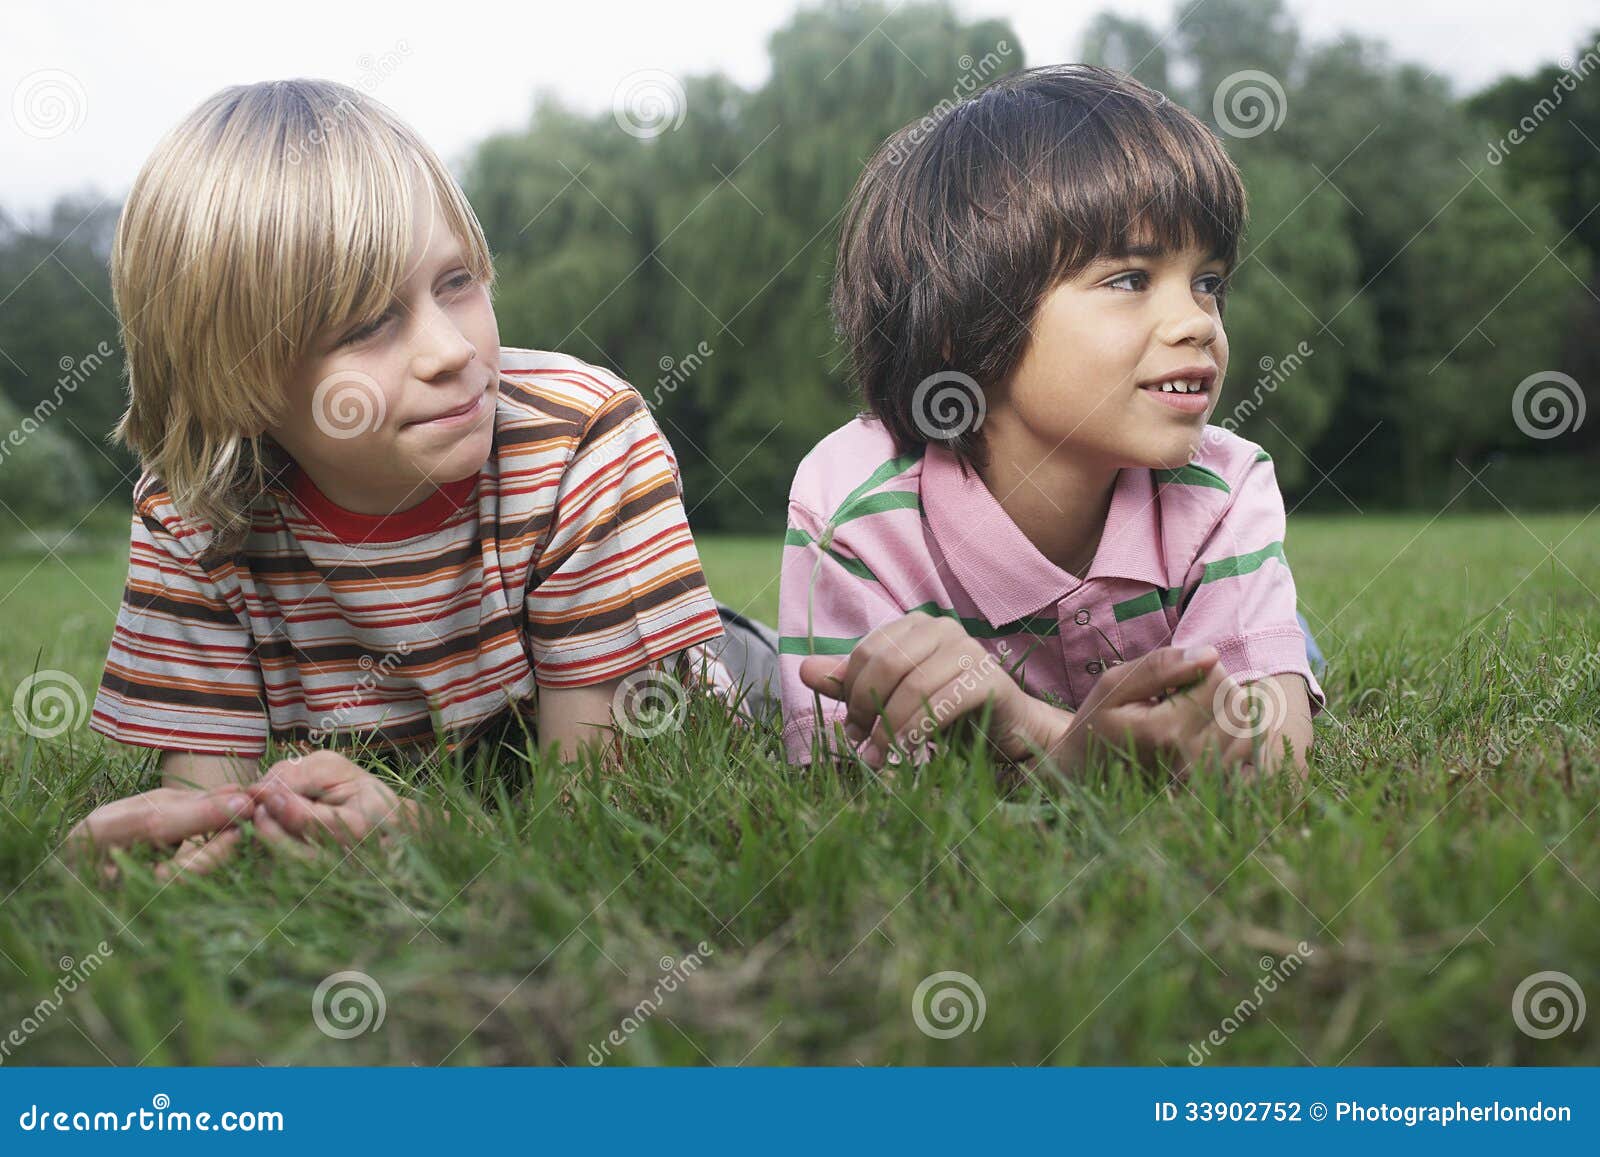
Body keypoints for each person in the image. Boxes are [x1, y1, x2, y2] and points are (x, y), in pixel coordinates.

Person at [75, 78, 773, 875]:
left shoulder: (582, 439)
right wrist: (173, 849)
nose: (452, 350)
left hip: (708, 676)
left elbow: (600, 823)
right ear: (237, 377)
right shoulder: (193, 515)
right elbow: (211, 804)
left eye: (456, 282)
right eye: (370, 323)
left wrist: (430, 838)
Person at [779, 65, 1326, 780]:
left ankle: (1280, 639)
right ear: (963, 322)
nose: (1198, 322)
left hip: (1202, 623)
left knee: (1286, 655)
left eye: (1209, 282)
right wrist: (1079, 751)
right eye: (1131, 279)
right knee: (748, 663)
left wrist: (1036, 730)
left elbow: (1274, 766)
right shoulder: (854, 508)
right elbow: (838, 778)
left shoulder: (1225, 485)